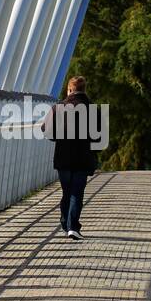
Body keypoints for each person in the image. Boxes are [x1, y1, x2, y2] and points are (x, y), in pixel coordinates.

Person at [44, 75, 98, 240]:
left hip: (63, 158)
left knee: (67, 192)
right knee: (77, 193)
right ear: (83, 90)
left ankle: (65, 222)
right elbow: (99, 138)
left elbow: (47, 131)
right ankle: (72, 226)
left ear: (69, 90)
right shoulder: (93, 109)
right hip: (83, 158)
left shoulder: (58, 107)